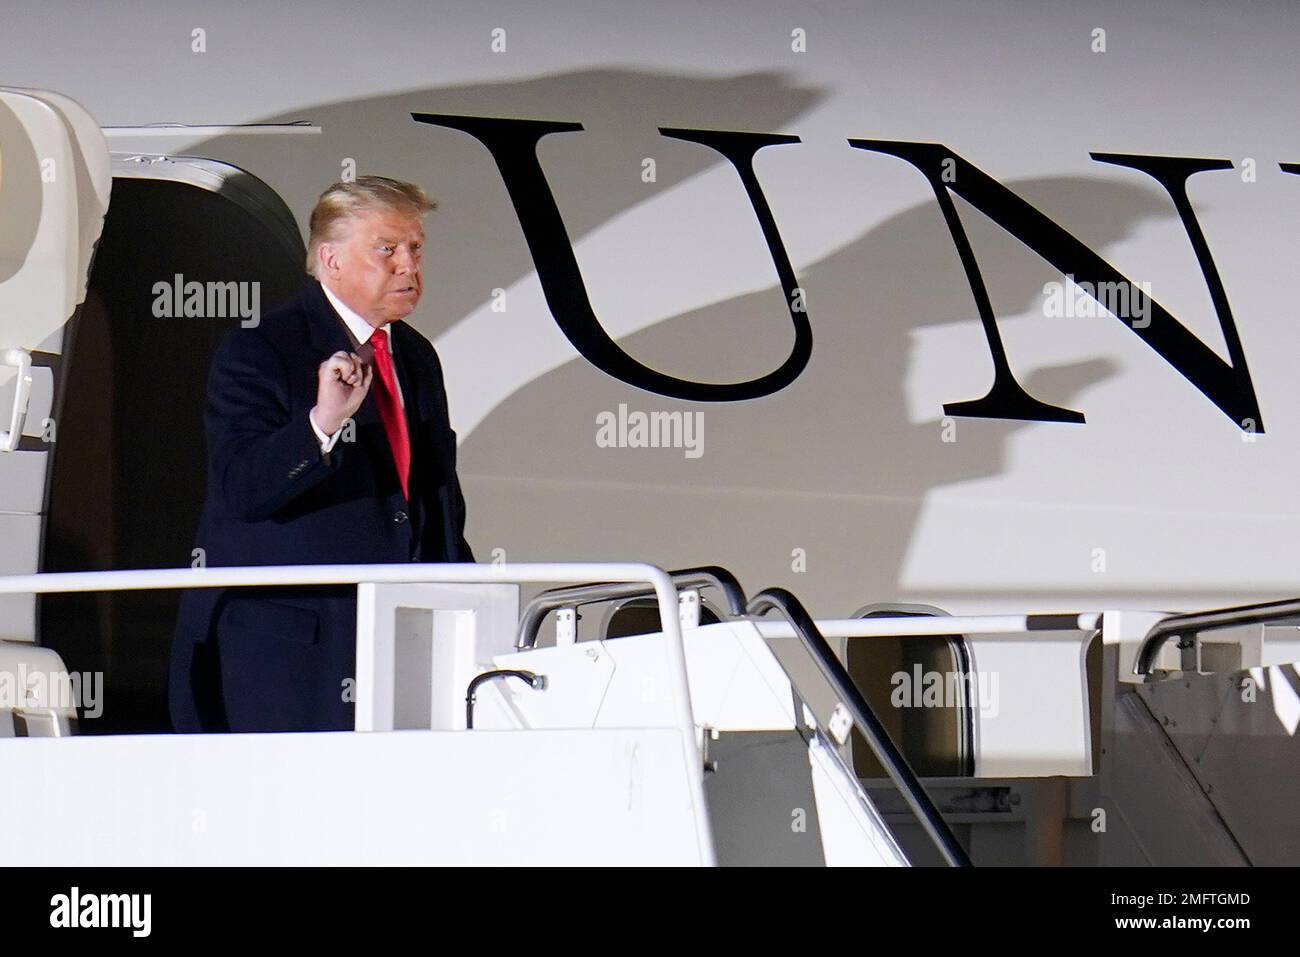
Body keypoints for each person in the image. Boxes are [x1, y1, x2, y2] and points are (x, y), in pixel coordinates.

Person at [168, 176, 473, 732]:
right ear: (330, 259)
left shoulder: (415, 355)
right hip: (291, 655)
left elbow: (434, 498)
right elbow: (242, 488)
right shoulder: (260, 347)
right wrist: (321, 424)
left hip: (401, 647)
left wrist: (470, 607)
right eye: (388, 250)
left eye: (415, 249)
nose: (408, 266)